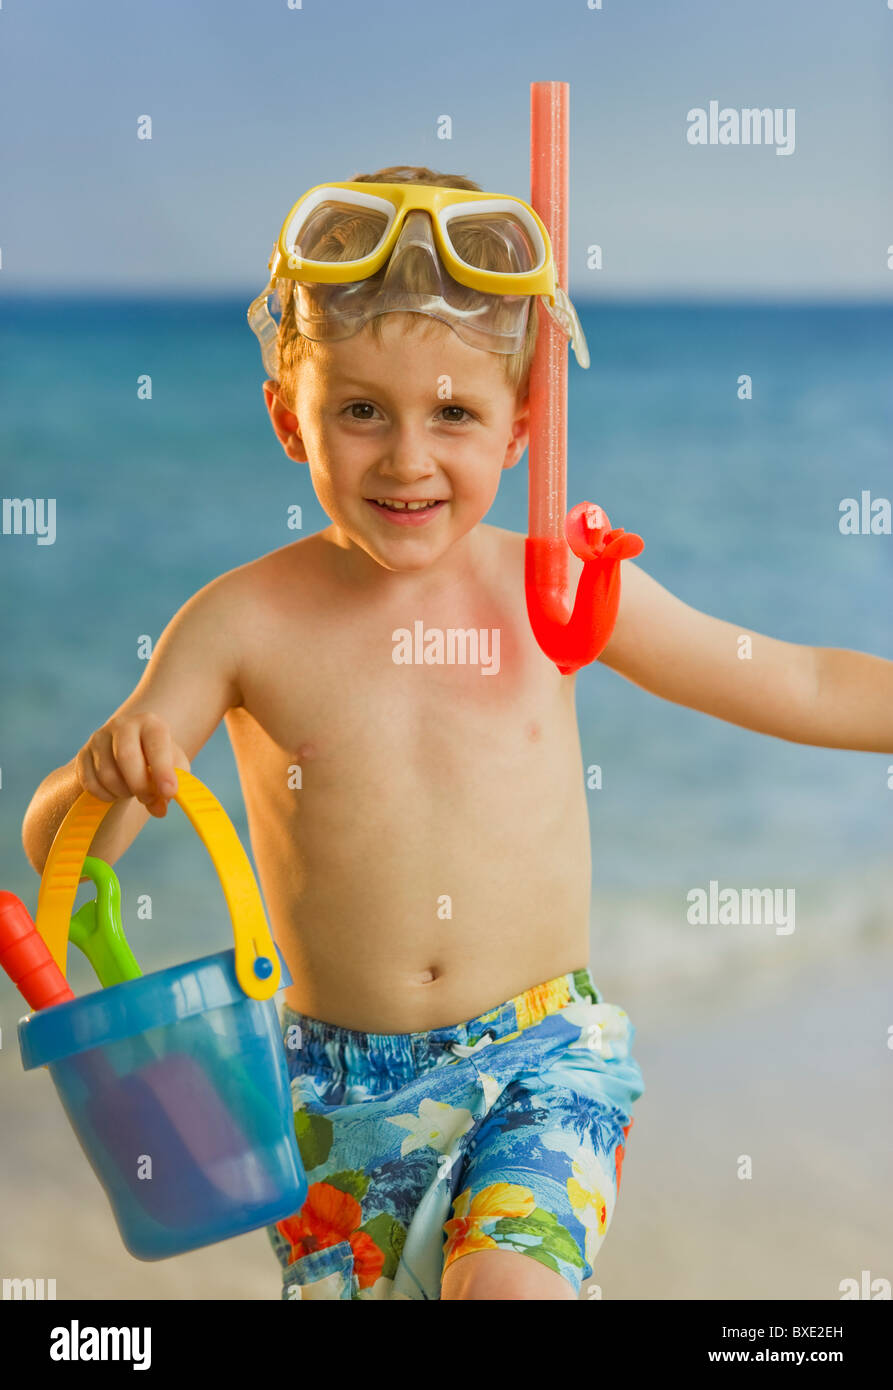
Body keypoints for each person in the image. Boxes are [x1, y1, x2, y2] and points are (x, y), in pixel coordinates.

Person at [22, 166, 893, 1301]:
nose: (407, 457)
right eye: (360, 410)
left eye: (453, 413)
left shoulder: (554, 591)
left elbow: (790, 678)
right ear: (291, 416)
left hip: (539, 1056)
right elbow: (68, 852)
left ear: (523, 425)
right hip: (322, 1102)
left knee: (510, 1291)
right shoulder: (238, 621)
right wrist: (107, 765)